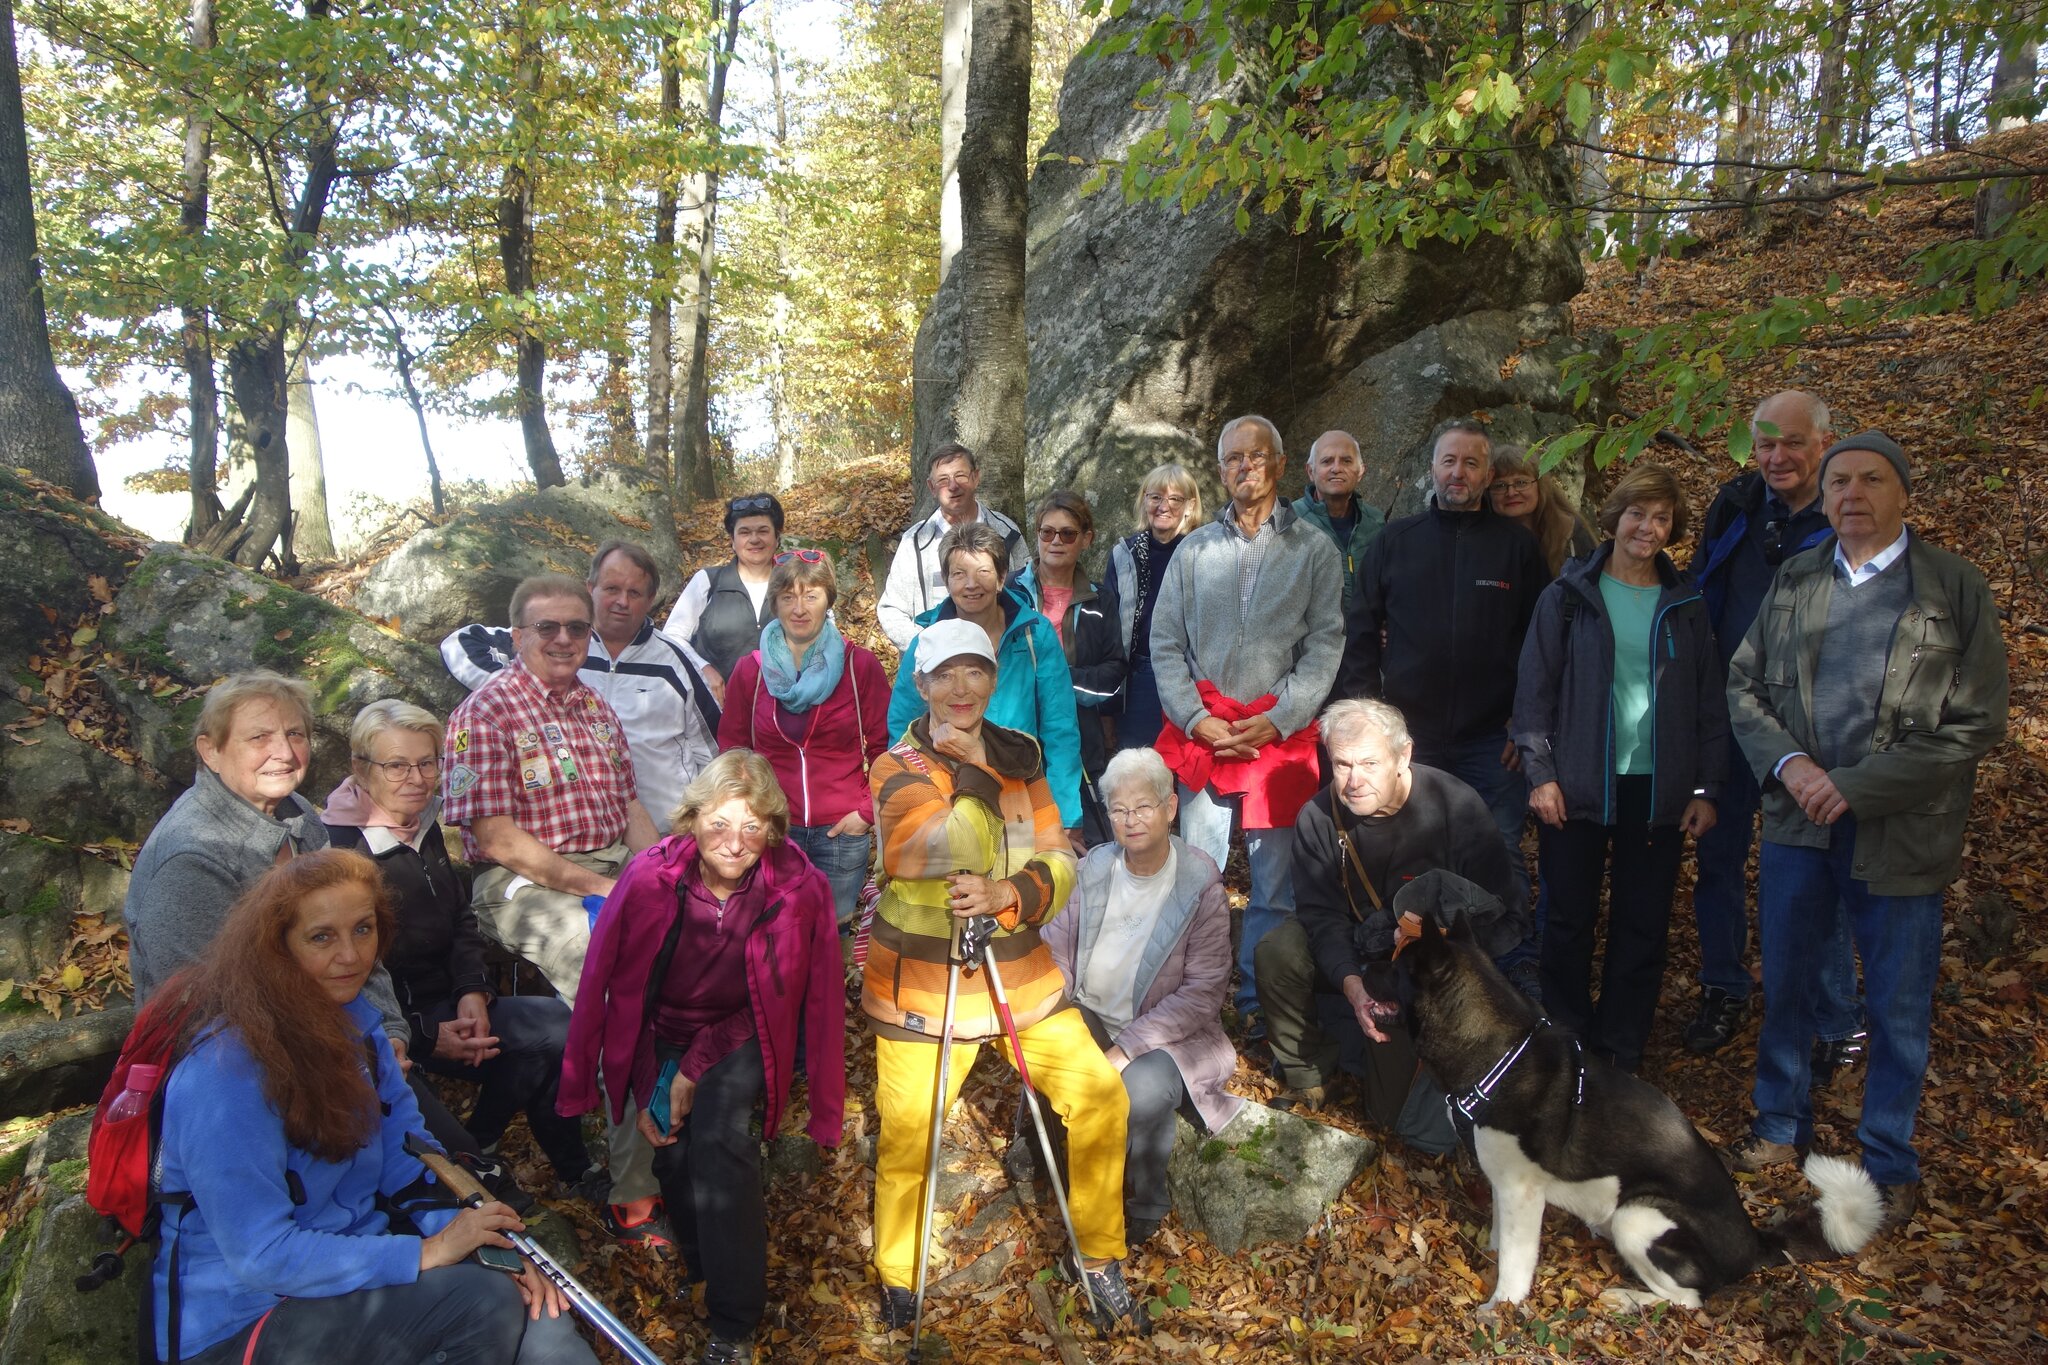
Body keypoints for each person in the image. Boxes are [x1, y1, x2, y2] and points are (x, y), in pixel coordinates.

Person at [150, 850, 594, 1365]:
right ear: (277, 949)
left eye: (363, 930)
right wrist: (428, 1252)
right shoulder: (223, 1074)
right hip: (244, 1322)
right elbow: (261, 1254)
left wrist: (477, 1241)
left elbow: (411, 1156)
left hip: (356, 1272)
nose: (352, 956)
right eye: (322, 937)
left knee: (547, 1325)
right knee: (484, 1302)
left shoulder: (358, 1028)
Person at [1724, 433, 2008, 1229]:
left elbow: (1976, 722)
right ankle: (1779, 1123)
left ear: (1902, 494)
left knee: (1896, 1001)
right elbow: (1743, 686)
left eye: (1871, 479)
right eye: (1839, 479)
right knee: (1786, 982)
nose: (1852, 493)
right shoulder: (1797, 576)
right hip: (1796, 824)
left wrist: (1850, 787)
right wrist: (1790, 766)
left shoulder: (1952, 586)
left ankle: (1888, 1156)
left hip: (1900, 832)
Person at [864, 619, 1136, 1332]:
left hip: (1018, 974)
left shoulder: (1025, 757)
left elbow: (1061, 853)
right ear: (920, 685)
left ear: (993, 678)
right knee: (909, 1138)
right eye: (944, 674)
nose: (961, 688)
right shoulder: (897, 767)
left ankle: (1100, 1257)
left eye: (975, 671)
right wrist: (975, 778)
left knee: (1102, 1097)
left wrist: (1011, 895)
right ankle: (900, 1275)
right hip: (925, 986)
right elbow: (930, 849)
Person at [559, 751, 845, 1365]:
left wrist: (692, 1072)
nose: (734, 842)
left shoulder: (798, 888)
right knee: (670, 1148)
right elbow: (619, 988)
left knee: (720, 1145)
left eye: (752, 826)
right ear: (691, 820)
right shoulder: (650, 876)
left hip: (743, 1031)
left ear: (772, 830)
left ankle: (734, 1321)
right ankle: (700, 1262)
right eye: (719, 823)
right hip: (662, 1030)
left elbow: (793, 997)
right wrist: (647, 1084)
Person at [441, 572, 665, 1244]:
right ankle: (635, 1195)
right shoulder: (483, 714)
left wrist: (659, 873)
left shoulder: (596, 708)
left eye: (577, 626)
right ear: (518, 636)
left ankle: (681, 1119)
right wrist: (594, 887)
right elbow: (494, 837)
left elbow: (630, 810)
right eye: (549, 627)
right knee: (621, 984)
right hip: (521, 882)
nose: (565, 638)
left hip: (607, 865)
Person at [325, 699, 595, 1190]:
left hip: (452, 1002)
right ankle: (484, 1147)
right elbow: (353, 976)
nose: (417, 778)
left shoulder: (420, 824)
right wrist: (429, 1034)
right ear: (359, 770)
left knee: (559, 1029)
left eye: (428, 763)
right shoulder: (341, 851)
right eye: (397, 765)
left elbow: (459, 917)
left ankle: (560, 1163)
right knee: (537, 1048)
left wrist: (474, 992)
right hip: (394, 1028)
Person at [1512, 465, 1727, 1073]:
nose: (1648, 528)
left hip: (1658, 790)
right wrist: (1540, 773)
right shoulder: (1568, 597)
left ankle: (1620, 1049)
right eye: (1638, 514)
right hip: (1577, 786)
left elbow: (1711, 705)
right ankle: (1566, 1041)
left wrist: (1707, 787)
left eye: (1662, 518)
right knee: (1569, 920)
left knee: (1642, 925)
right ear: (1614, 517)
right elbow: (1533, 693)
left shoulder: (1686, 605)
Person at [1684, 391, 1862, 1069]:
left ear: (1825, 441)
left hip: (1812, 732)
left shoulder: (1847, 515)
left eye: (1793, 443)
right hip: (1727, 720)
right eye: (1766, 444)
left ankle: (1831, 1014)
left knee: (1818, 870)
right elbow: (1702, 595)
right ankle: (1724, 986)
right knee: (1718, 862)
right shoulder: (1735, 506)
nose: (1778, 457)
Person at [1253, 700, 1524, 1139]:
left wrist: (1435, 945)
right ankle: (1310, 1071)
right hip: (1360, 959)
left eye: (1369, 763)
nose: (1353, 781)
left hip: (1428, 975)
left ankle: (1378, 1060)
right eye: (1342, 764)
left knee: (1402, 1124)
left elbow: (1508, 917)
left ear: (1404, 756)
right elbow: (1321, 920)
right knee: (1277, 949)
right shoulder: (1318, 819)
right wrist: (1351, 985)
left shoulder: (1457, 807)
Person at [1152, 414, 1345, 1027]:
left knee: (1276, 886)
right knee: (1195, 876)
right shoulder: (1193, 549)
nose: (1244, 467)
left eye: (1256, 456)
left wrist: (1284, 716)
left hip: (1277, 738)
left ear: (1281, 465)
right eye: (1233, 458)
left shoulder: (1313, 548)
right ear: (1221, 470)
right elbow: (1164, 643)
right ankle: (1195, 1000)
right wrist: (1192, 716)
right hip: (1205, 735)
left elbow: (1326, 643)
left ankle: (1265, 1005)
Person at [1342, 417, 1547, 989]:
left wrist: (1524, 724)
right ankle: (1414, 965)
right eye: (1449, 461)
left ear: (1487, 473)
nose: (1459, 472)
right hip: (1414, 738)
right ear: (1432, 469)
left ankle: (1513, 963)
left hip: (1492, 738)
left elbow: (1541, 642)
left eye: (1472, 462)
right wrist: (1372, 721)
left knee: (1498, 846)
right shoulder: (1396, 542)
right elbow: (1361, 631)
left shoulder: (1517, 548)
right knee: (1409, 847)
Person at [125, 671, 403, 1056]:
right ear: (210, 751)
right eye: (259, 738)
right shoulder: (190, 859)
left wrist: (388, 1031)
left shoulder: (298, 815)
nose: (285, 754)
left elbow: (351, 935)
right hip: (242, 1067)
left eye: (295, 734)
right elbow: (200, 1011)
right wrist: (348, 1056)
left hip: (338, 1038)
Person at [1041, 747, 1246, 1245]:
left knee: (1139, 1089)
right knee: (1056, 1061)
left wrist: (1125, 1048)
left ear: (1170, 808)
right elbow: (1057, 953)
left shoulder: (1200, 885)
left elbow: (1202, 993)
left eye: (1143, 807)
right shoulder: (1092, 869)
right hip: (1088, 1012)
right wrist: (1052, 1009)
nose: (1131, 821)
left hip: (1166, 1033)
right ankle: (1063, 1174)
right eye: (1118, 809)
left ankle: (1142, 1203)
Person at [444, 540, 721, 836]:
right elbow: (461, 641)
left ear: (651, 598)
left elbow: (714, 753)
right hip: (566, 834)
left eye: (635, 593)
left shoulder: (676, 660)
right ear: (591, 589)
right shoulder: (560, 647)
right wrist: (512, 693)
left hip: (663, 831)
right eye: (612, 589)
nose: (622, 602)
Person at [716, 549, 891, 925]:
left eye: (810, 596)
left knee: (833, 933)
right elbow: (732, 750)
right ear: (775, 602)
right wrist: (750, 812)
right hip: (774, 829)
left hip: (841, 834)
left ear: (828, 599)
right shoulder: (752, 671)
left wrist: (865, 812)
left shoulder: (858, 666)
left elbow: (885, 748)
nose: (799, 608)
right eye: (788, 597)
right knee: (775, 935)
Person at [887, 522, 1085, 835]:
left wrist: (1065, 815)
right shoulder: (926, 642)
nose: (970, 584)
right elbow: (902, 728)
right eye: (958, 574)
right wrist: (913, 804)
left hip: (1022, 791)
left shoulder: (1034, 635)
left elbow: (1060, 729)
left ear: (1001, 578)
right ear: (947, 581)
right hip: (947, 794)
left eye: (982, 572)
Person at [1009, 490, 1127, 844]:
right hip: (1014, 737)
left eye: (1068, 534)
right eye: (1047, 532)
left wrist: (1055, 684)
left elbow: (1113, 675)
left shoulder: (1100, 600)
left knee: (1077, 848)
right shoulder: (1010, 594)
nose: (1056, 541)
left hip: (1080, 741)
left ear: (1086, 539)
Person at [877, 442, 1025, 650]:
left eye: (960, 476)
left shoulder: (1007, 532)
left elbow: (1026, 595)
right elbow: (891, 610)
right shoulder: (914, 543)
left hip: (1002, 659)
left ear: (975, 477)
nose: (953, 486)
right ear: (931, 487)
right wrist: (930, 648)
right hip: (934, 670)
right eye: (943, 480)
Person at [1103, 463, 1203, 752]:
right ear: (1144, 500)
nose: (1164, 506)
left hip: (1191, 676)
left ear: (1190, 505)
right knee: (1141, 768)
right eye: (1155, 497)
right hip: (1139, 677)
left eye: (1175, 499)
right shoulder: (1125, 553)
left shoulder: (1202, 551)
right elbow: (1109, 627)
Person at [664, 495, 786, 701]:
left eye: (763, 531)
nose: (754, 539)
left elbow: (824, 633)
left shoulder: (794, 583)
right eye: (744, 532)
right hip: (717, 711)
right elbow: (672, 637)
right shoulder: (709, 581)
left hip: (783, 713)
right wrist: (703, 668)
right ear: (732, 540)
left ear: (777, 538)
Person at [1290, 429, 1386, 613]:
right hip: (1314, 640)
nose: (1336, 468)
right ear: (1311, 471)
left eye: (1346, 461)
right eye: (1326, 461)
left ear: (1360, 471)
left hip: (1365, 638)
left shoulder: (1375, 522)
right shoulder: (1291, 521)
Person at [1486, 444, 1596, 579]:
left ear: (1539, 486)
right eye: (1500, 485)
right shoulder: (1479, 538)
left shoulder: (1570, 531)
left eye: (1521, 483)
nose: (1511, 493)